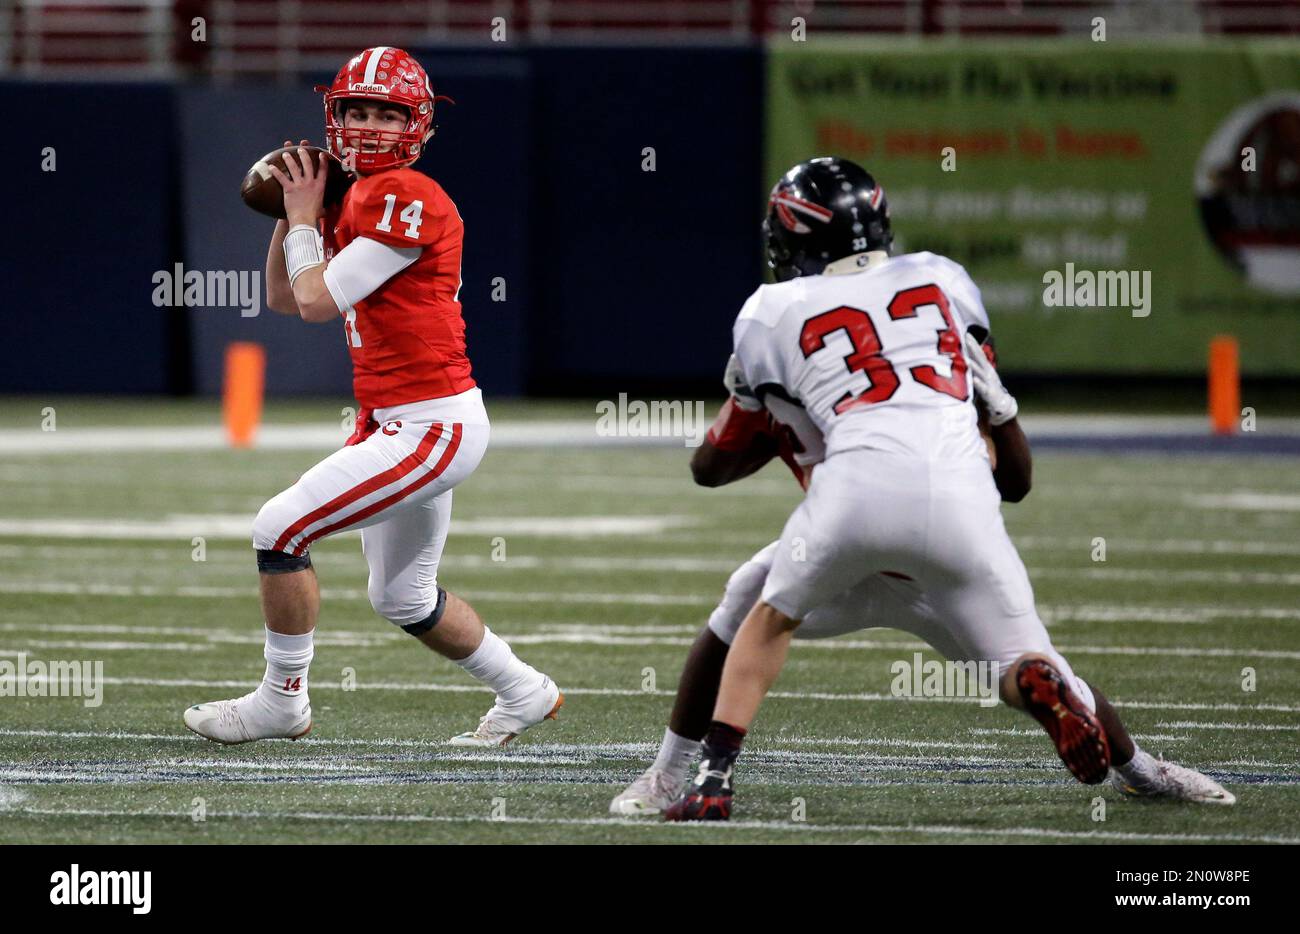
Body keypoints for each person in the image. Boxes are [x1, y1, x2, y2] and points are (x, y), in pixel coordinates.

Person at [660, 157, 1233, 820]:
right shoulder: (941, 283)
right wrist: (1000, 407)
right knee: (1034, 667)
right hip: (957, 522)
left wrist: (749, 398)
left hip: (849, 519)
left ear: (794, 238)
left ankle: (692, 779)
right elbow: (1016, 481)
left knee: (749, 613)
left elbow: (710, 467)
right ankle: (1138, 767)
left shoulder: (770, 316)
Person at [184, 47, 562, 749]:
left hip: (430, 425)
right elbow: (280, 297)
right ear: (332, 117)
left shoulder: (405, 195)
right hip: (398, 421)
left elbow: (316, 298)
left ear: (415, 126)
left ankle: (280, 702)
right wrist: (293, 214)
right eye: (355, 110)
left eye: (385, 114)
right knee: (403, 597)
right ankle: (525, 691)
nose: (367, 126)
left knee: (279, 528)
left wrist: (302, 215)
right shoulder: (353, 198)